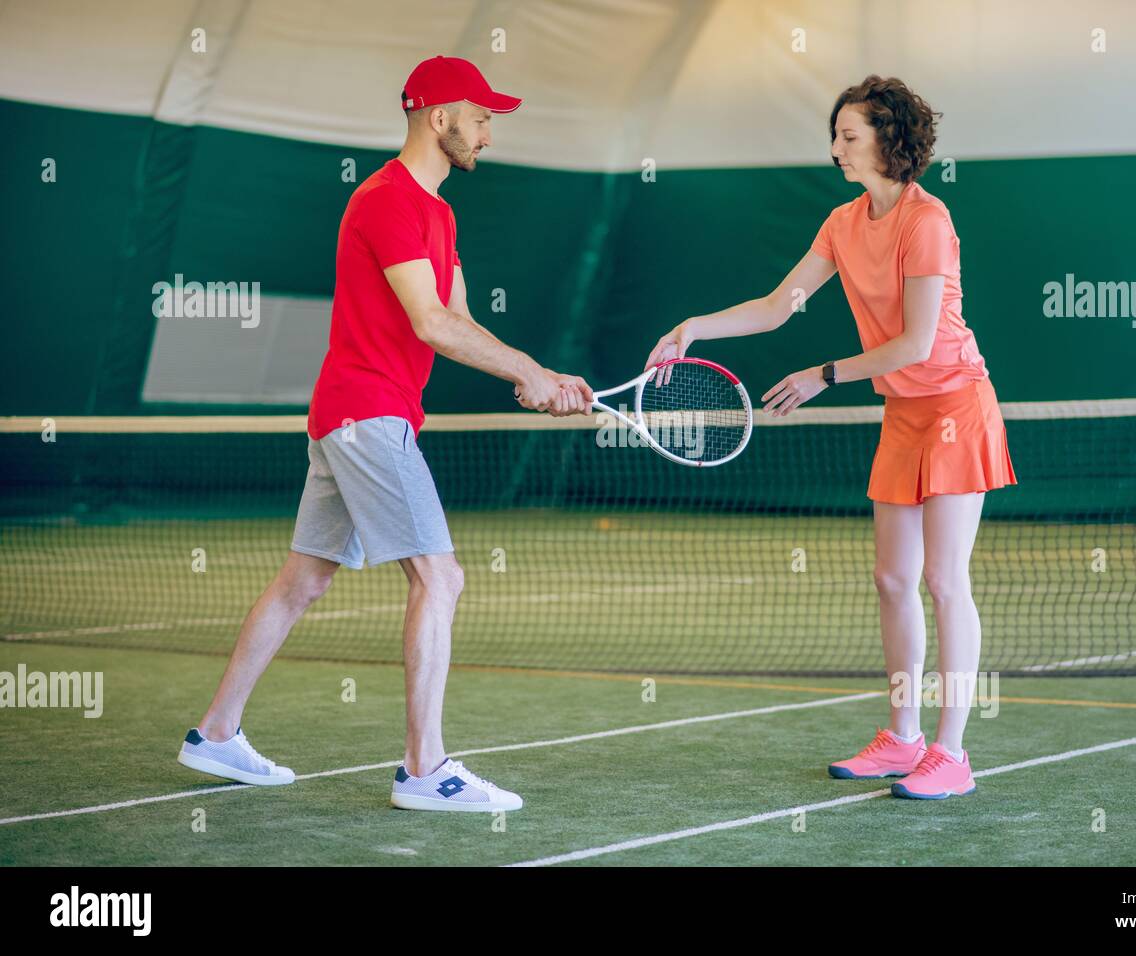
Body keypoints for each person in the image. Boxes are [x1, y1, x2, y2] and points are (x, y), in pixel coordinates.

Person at [178, 56, 592, 813]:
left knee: (305, 578)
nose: (489, 132)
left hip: (357, 413)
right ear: (440, 118)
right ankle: (425, 770)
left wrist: (542, 377)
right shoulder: (385, 200)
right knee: (441, 578)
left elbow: (457, 322)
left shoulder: (440, 212)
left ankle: (215, 733)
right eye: (482, 115)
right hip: (367, 414)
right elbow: (428, 321)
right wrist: (527, 370)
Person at [645, 75, 1016, 800]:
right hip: (904, 414)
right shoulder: (842, 224)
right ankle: (902, 736)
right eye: (836, 136)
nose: (837, 149)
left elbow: (912, 343)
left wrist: (825, 373)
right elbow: (779, 305)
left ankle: (952, 752)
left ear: (888, 139)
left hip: (955, 405)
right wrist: (695, 326)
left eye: (850, 136)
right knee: (890, 580)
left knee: (944, 581)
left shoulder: (928, 220)